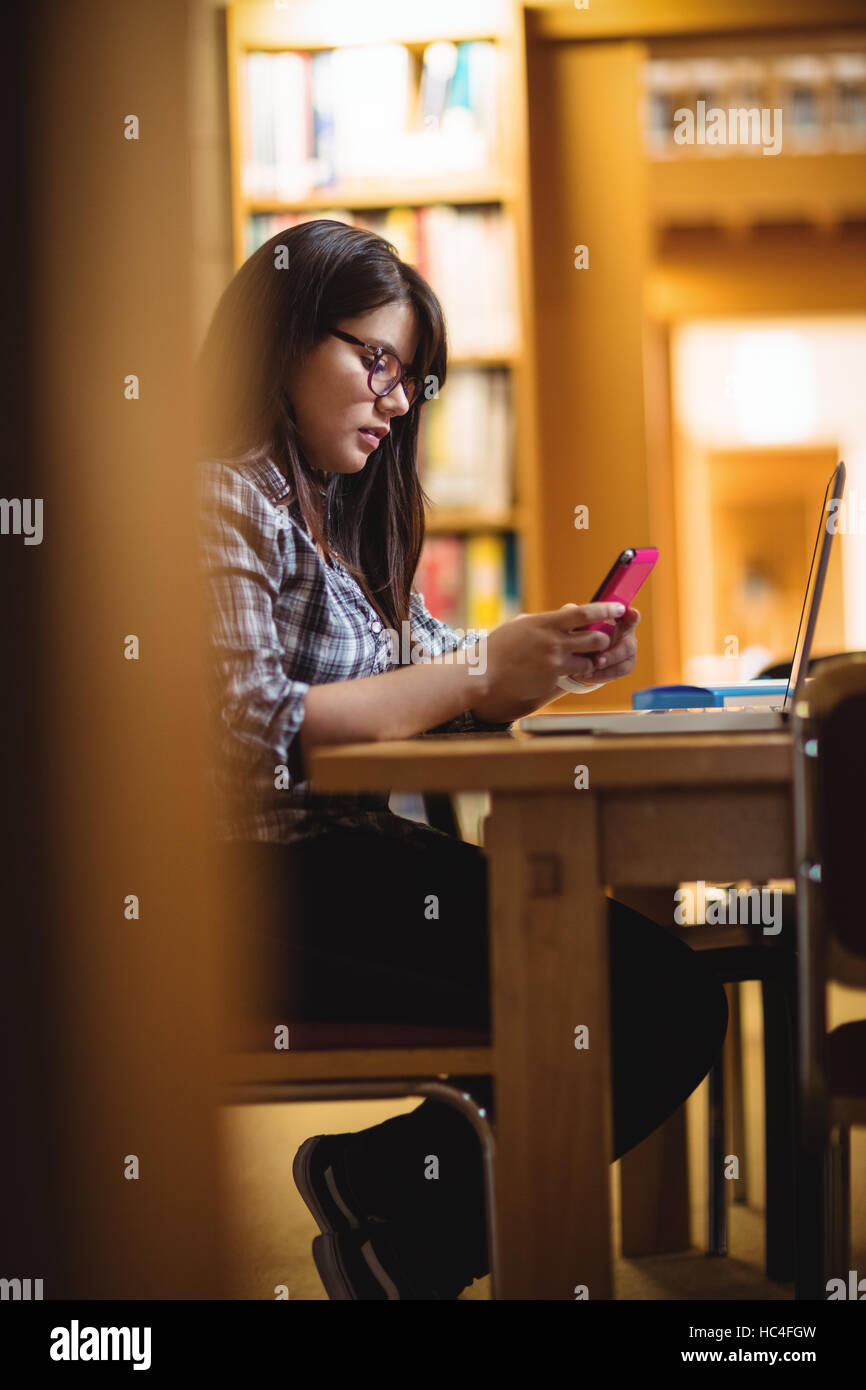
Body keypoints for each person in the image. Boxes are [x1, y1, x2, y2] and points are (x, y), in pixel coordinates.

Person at [195, 218, 729, 1300]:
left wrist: (542, 661)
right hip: (249, 891)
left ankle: (373, 1183)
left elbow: (439, 672)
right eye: (375, 361)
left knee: (654, 990)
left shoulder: (334, 515)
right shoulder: (215, 496)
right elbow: (252, 729)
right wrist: (478, 673)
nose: (396, 401)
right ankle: (400, 1243)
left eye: (410, 377)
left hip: (342, 864)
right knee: (650, 999)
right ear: (281, 338)